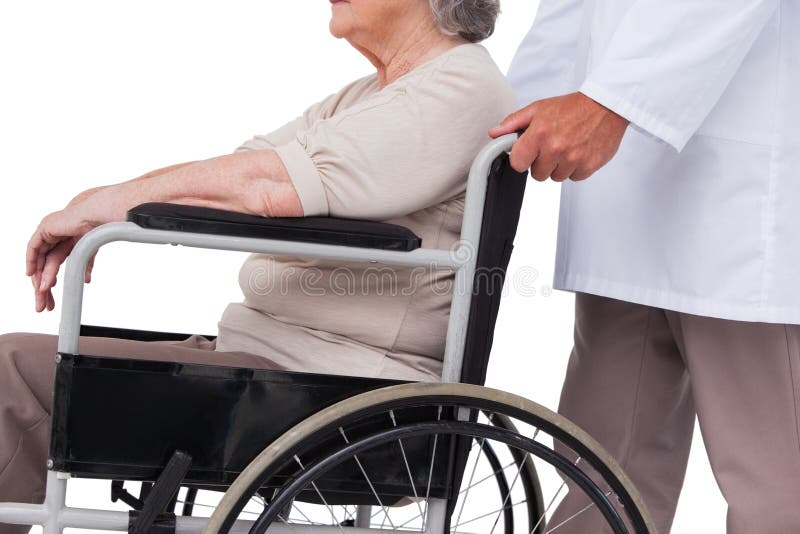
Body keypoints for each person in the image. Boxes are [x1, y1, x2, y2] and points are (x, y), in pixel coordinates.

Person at [0, 1, 515, 531]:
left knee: (10, 372)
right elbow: (238, 167)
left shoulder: (459, 88)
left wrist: (105, 207)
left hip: (338, 391)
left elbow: (268, 187)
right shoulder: (377, 93)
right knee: (15, 362)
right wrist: (106, 199)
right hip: (275, 364)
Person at [490, 1, 799, 533]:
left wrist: (611, 103)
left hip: (736, 205)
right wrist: (501, 120)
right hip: (618, 200)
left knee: (777, 488)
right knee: (600, 481)